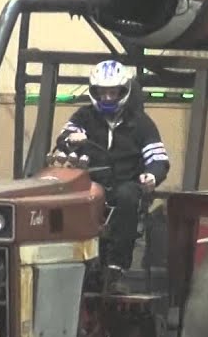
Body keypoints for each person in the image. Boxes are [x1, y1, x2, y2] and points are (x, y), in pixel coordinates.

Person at [54, 59, 169, 290]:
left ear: (123, 92)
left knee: (127, 195)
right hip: (90, 186)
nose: (107, 97)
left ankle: (117, 267)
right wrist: (70, 140)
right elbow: (64, 138)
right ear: (94, 92)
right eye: (102, 92)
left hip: (125, 185)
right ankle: (70, 262)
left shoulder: (141, 123)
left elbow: (159, 159)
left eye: (113, 92)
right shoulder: (84, 117)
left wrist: (152, 176)